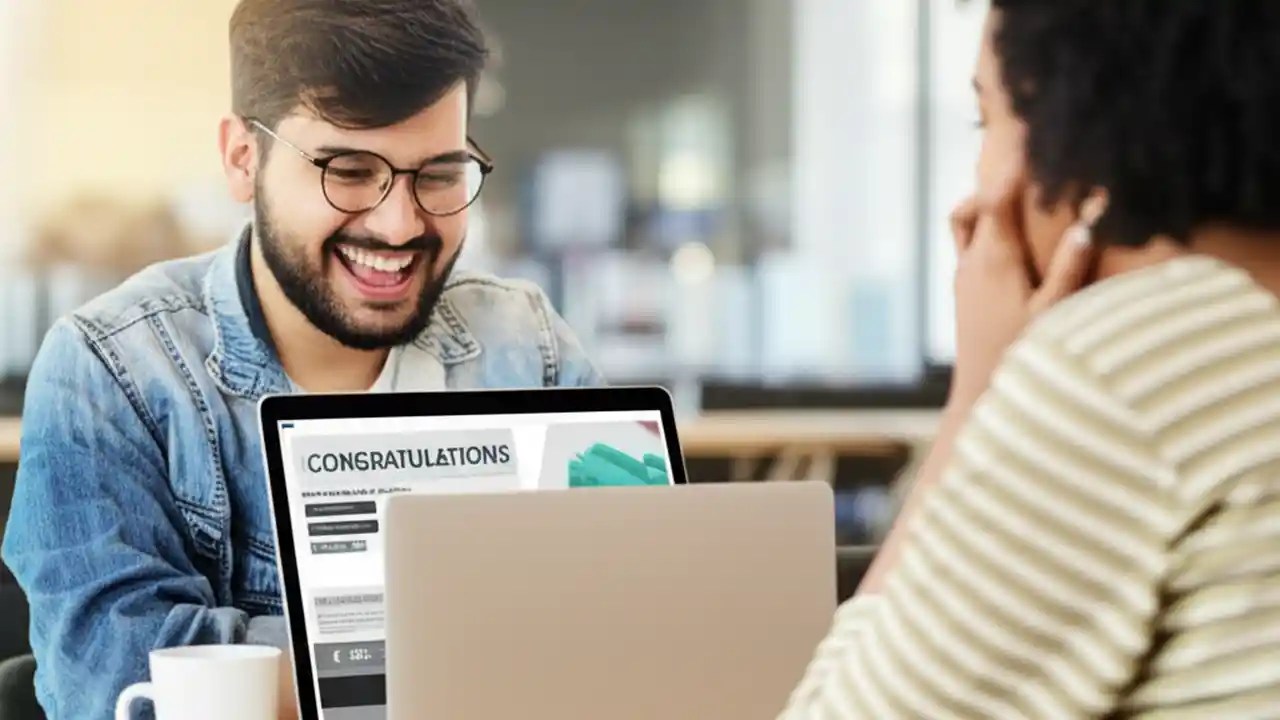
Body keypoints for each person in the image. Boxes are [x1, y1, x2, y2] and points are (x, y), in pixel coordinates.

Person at [2, 1, 601, 717]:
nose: (399, 224)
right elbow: (116, 683)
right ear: (240, 158)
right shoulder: (110, 371)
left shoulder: (528, 346)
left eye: (440, 175)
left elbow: (636, 618)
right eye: (348, 171)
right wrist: (491, 651)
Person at [782, 1, 1280, 717]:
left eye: (985, 122)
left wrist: (973, 404)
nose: (972, 197)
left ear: (1078, 137)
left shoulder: (1122, 371)